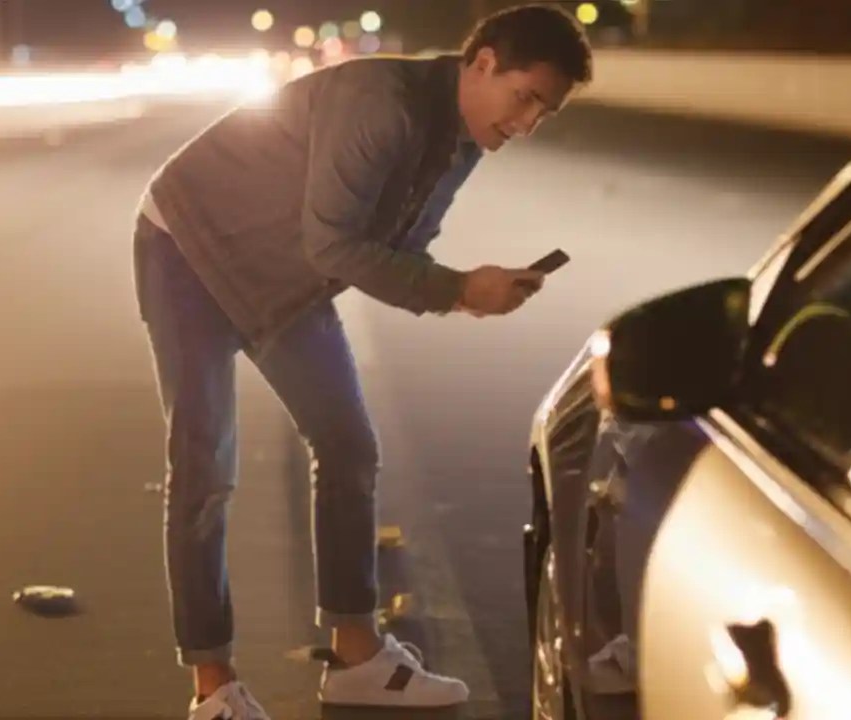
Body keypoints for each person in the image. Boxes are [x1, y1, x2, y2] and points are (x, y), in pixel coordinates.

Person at [131, 5, 593, 718]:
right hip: (189, 249)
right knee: (205, 466)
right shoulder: (381, 105)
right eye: (524, 96)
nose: (527, 123)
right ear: (483, 63)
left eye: (546, 112)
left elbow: (396, 252)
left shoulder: (463, 142)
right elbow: (337, 247)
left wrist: (467, 290)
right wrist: (460, 288)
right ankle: (213, 687)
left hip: (287, 279)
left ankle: (356, 657)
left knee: (349, 447)